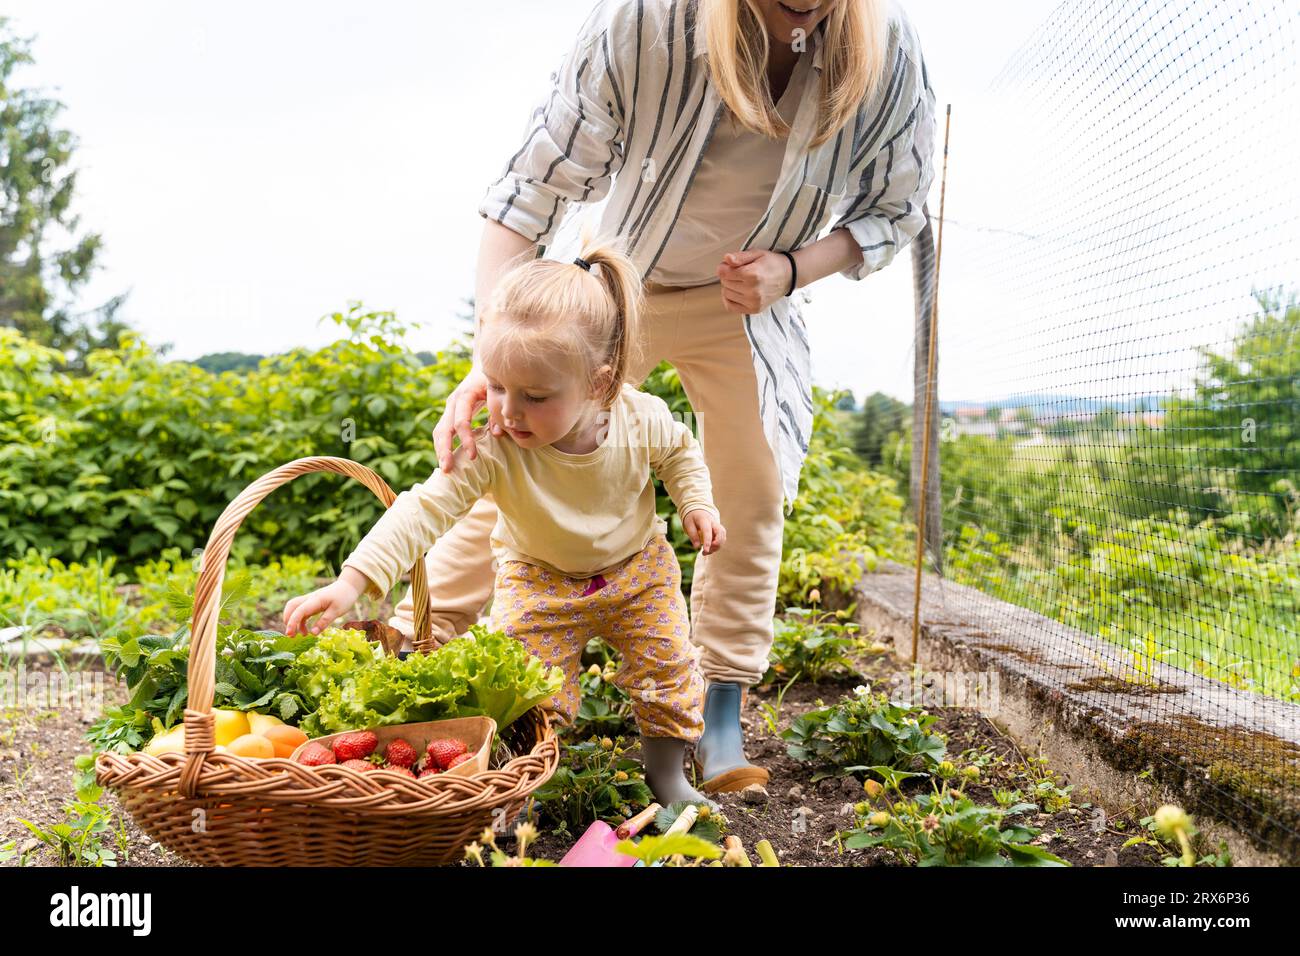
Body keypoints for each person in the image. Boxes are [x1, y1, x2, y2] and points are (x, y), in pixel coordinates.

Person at [391, 0, 938, 793]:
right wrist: (493, 366)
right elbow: (530, 191)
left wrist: (791, 270)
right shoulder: (647, 20)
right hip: (616, 298)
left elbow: (897, 207)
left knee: (748, 492)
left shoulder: (887, 50)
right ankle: (424, 664)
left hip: (747, 307)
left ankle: (718, 715)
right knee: (509, 463)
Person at [281, 240, 726, 806]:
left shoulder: (641, 419)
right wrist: (352, 581)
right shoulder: (495, 444)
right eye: (494, 386)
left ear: (598, 383)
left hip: (639, 571)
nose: (509, 411)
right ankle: (532, 782)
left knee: (667, 667)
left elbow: (681, 454)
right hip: (536, 579)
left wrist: (696, 504)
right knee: (529, 690)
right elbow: (423, 508)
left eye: (534, 396)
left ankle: (667, 775)